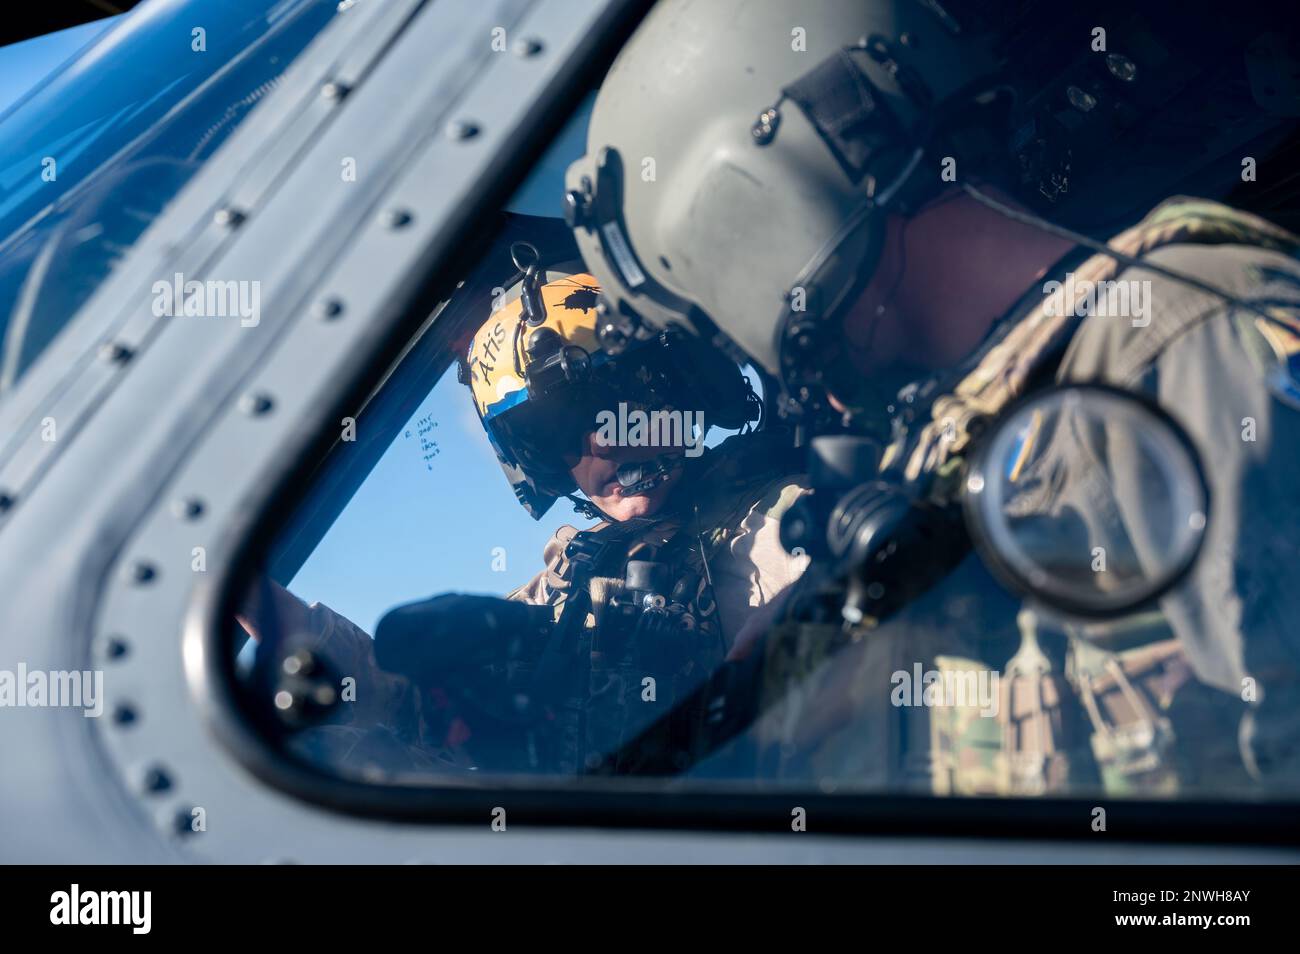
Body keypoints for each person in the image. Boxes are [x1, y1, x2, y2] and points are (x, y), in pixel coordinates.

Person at [560, 0, 1300, 794]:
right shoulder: (969, 453)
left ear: (758, 213)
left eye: (719, 314)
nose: (754, 355)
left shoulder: (1186, 347)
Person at [238, 251, 811, 775]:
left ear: (669, 390)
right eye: (547, 436)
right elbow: (390, 695)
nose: (597, 448)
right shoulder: (568, 586)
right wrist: (240, 591)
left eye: (604, 406)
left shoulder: (788, 523)